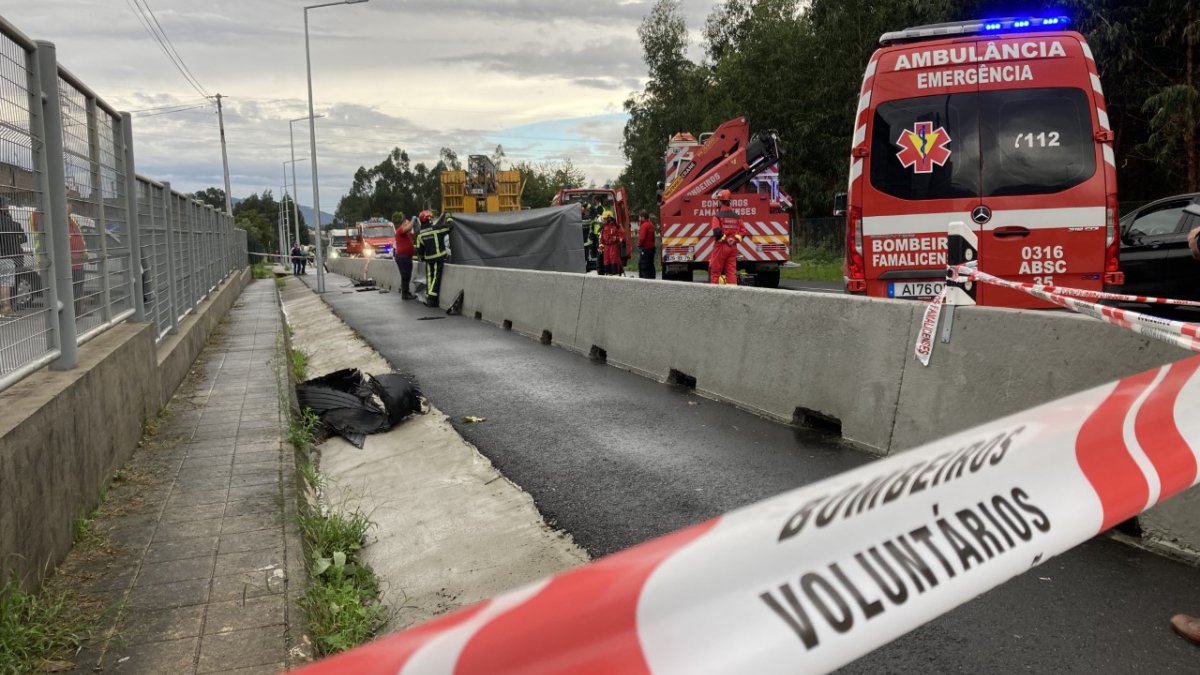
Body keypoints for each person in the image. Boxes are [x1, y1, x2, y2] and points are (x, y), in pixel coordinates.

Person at [709, 189, 747, 285]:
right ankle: (732, 296)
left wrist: (726, 239)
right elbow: (744, 232)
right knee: (731, 272)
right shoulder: (737, 217)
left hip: (721, 247)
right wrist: (733, 240)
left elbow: (717, 232)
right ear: (729, 201)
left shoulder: (717, 216)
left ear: (720, 201)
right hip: (732, 247)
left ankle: (714, 295)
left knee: (715, 271)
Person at [415, 210, 450, 307]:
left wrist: (421, 257)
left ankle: (428, 295)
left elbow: (419, 249)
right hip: (438, 258)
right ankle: (432, 297)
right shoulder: (436, 229)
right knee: (436, 278)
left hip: (428, 259)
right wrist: (449, 217)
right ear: (429, 219)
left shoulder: (419, 234)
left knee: (429, 277)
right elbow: (450, 227)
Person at [0, 198, 24, 318]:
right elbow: (22, 238)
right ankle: (6, 308)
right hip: (6, 256)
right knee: (5, 283)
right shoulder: (10, 223)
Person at [392, 211, 416, 300]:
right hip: (402, 257)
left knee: (407, 275)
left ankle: (406, 292)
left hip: (407, 257)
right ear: (403, 223)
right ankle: (405, 294)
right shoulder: (400, 230)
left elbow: (412, 231)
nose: (409, 224)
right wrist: (412, 221)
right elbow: (408, 228)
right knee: (405, 275)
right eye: (407, 222)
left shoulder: (407, 233)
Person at [637, 211, 656, 280]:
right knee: (650, 265)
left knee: (643, 266)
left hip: (645, 249)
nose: (638, 219)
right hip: (651, 249)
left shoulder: (644, 226)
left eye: (639, 217)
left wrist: (638, 244)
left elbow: (642, 238)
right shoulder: (651, 225)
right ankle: (652, 279)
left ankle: (644, 281)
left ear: (643, 217)